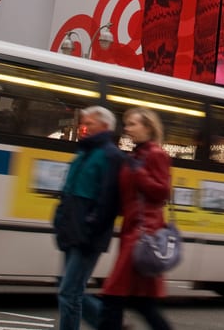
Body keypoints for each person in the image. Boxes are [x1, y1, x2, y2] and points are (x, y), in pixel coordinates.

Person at [97, 108, 173, 330]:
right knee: (142, 302)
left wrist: (139, 173)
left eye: (132, 124)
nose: (127, 129)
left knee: (113, 295)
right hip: (131, 231)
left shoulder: (156, 155)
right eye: (126, 124)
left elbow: (162, 192)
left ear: (147, 127)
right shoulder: (134, 156)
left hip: (143, 235)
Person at [53, 106, 123, 330]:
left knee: (69, 292)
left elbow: (110, 201)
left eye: (90, 123)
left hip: (87, 235)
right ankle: (108, 323)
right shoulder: (84, 151)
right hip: (71, 229)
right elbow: (69, 190)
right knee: (70, 289)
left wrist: (90, 226)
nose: (84, 128)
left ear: (104, 126)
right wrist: (60, 217)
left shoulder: (110, 156)